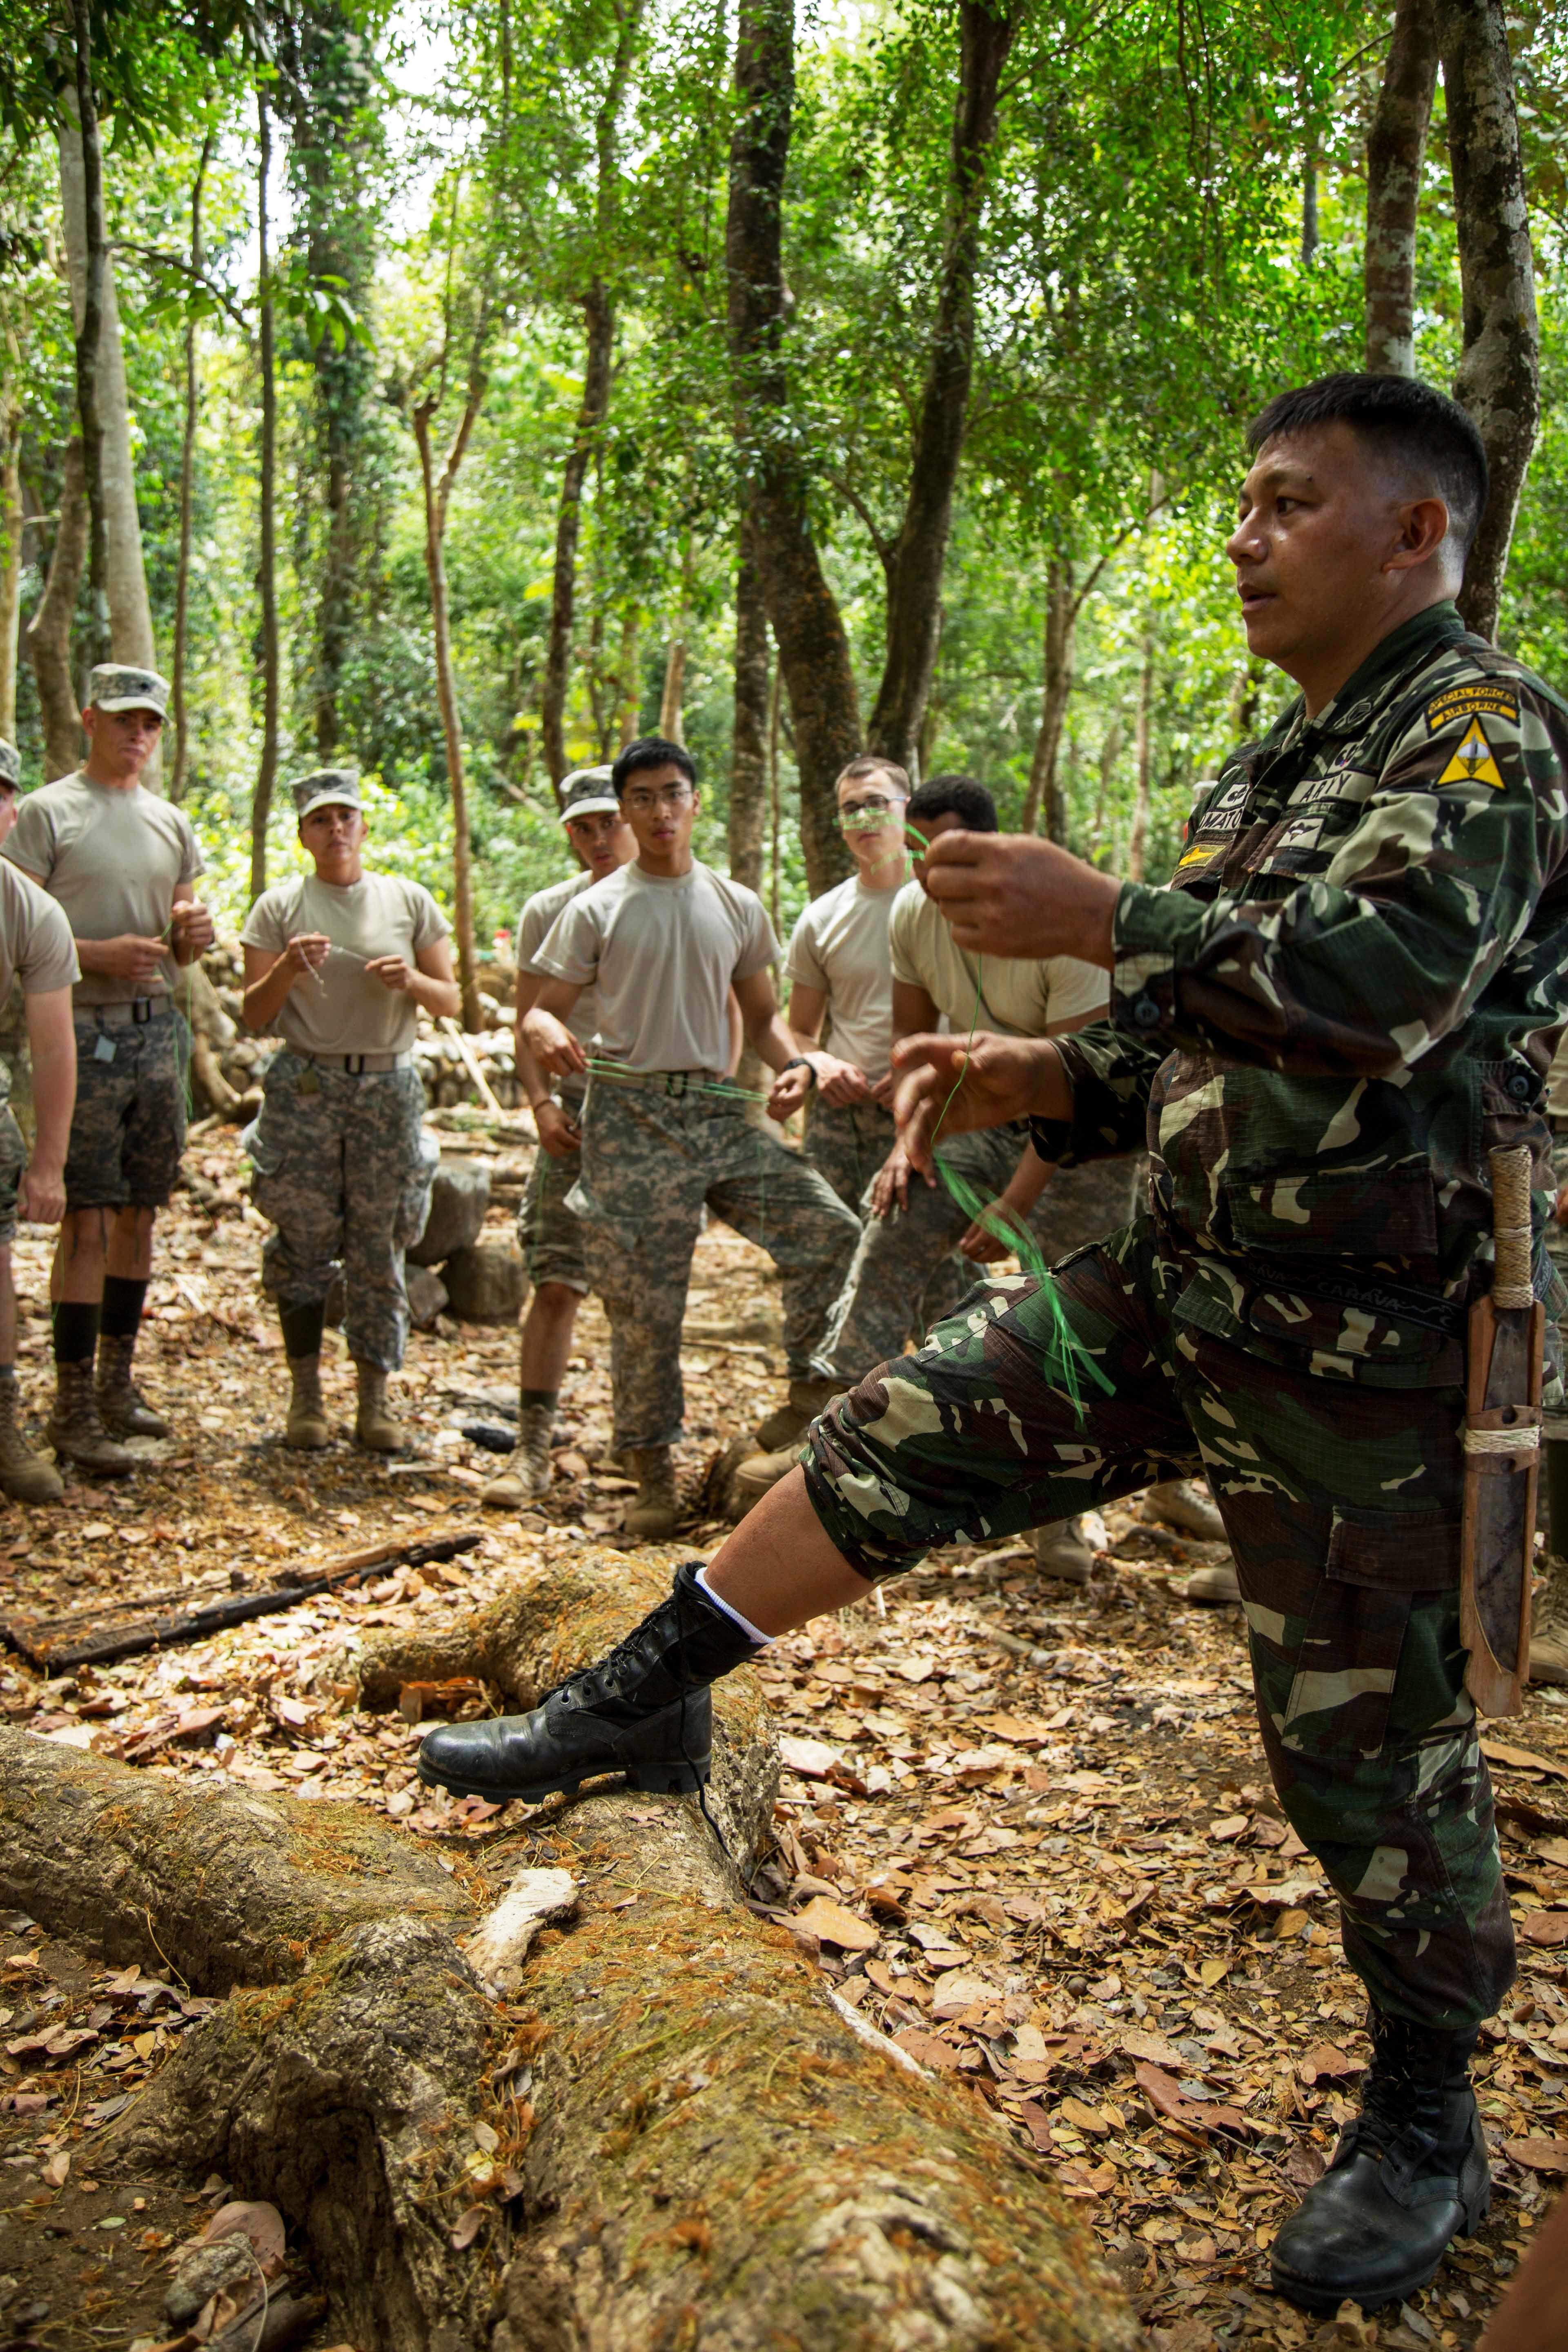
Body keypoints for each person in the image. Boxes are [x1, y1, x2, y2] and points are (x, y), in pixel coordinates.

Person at [421, 373, 1568, 2316]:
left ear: (1415, 531)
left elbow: (1378, 991)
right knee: (894, 1434)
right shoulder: (1269, 768)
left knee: (1365, 1741)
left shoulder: (1485, 734)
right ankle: (651, 1692)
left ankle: (1426, 2107)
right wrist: (1033, 1069)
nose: (1245, 537)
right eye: (1241, 501)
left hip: (1369, 1339)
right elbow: (1197, 1033)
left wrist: (1107, 915)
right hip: (1177, 1275)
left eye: (1290, 503)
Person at [751, 771, 1117, 1575]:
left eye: (944, 849)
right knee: (898, 1209)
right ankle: (833, 1436)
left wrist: (1014, 1204)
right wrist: (905, 1146)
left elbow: (1081, 1082)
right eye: (916, 849)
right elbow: (915, 1051)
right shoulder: (913, 913)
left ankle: (1065, 1518)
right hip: (986, 1106)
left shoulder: (1060, 922)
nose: (926, 868)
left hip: (1092, 1125)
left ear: (988, 846)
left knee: (1072, 1305)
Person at [519, 734, 861, 1540]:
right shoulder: (596, 909)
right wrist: (543, 1045)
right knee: (645, 1303)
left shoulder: (736, 904)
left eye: (673, 794)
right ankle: (653, 1477)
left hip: (717, 1110)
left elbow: (767, 1019)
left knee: (830, 1230)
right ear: (625, 810)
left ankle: (809, 1394)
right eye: (642, 798)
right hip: (629, 1114)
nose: (660, 812)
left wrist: (796, 1067)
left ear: (694, 801)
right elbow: (539, 1010)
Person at [2, 666, 212, 1474]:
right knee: (86, 1217)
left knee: (140, 1212)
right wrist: (97, 954)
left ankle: (117, 1384)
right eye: (125, 719)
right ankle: (73, 1406)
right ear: (91, 720)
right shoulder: (47, 812)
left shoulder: (170, 821)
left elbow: (183, 945)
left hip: (155, 1035)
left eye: (151, 723)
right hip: (78, 1032)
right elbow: (15, 930)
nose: (138, 735)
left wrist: (191, 936)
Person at [751, 754, 968, 1459]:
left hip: (937, 1114)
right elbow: (801, 1031)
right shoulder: (825, 916)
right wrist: (817, 1065)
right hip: (842, 1119)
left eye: (878, 802)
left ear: (909, 811)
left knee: (942, 1271)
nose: (864, 818)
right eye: (850, 809)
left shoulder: (947, 901)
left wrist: (925, 1076)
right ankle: (815, 1414)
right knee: (825, 1256)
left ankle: (957, 1421)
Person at [239, 769, 459, 1451]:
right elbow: (253, 1014)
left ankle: (374, 1401)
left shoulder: (408, 900)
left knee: (380, 1243)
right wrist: (286, 968)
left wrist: (411, 980)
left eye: (345, 817)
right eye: (320, 820)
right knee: (303, 1239)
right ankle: (306, 1397)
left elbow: (452, 1000)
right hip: (307, 1087)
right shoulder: (279, 907)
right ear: (302, 835)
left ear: (364, 827)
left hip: (387, 1088)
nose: (335, 829)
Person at [482, 768, 636, 1509]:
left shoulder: (676, 900)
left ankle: (642, 1449)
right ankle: (533, 1448)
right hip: (573, 1112)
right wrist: (540, 1105)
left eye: (610, 822)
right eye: (583, 827)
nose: (599, 839)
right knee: (555, 1279)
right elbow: (528, 1021)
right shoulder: (549, 910)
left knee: (644, 1290)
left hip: (650, 1114)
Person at [0, 741, 77, 1501]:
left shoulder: (29, 909)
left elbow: (53, 1044)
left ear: (13, 813)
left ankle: (2, 1423)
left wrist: (48, 1164)